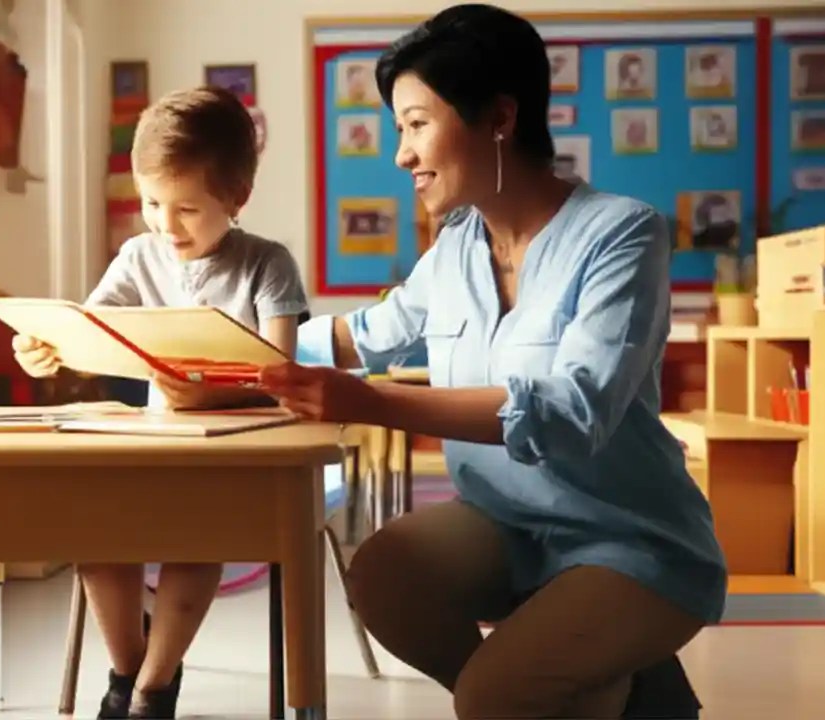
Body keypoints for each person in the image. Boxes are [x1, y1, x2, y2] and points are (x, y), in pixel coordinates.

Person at [259, 5, 727, 719]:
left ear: (500, 117)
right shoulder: (455, 247)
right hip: (507, 527)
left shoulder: (622, 233)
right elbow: (365, 335)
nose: (402, 154)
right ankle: (606, 692)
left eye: (416, 124)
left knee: (496, 696)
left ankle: (549, 687)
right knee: (384, 573)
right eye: (399, 131)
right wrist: (230, 344)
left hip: (629, 541)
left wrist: (374, 403)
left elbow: (571, 413)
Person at [13, 85, 307, 719]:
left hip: (237, 458)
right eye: (151, 203)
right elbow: (88, 330)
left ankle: (153, 685)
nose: (165, 225)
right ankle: (128, 672)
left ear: (237, 198)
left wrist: (212, 393)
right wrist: (46, 348)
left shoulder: (267, 264)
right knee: (94, 528)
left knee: (196, 536)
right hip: (155, 443)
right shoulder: (138, 255)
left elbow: (282, 374)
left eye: (188, 209)